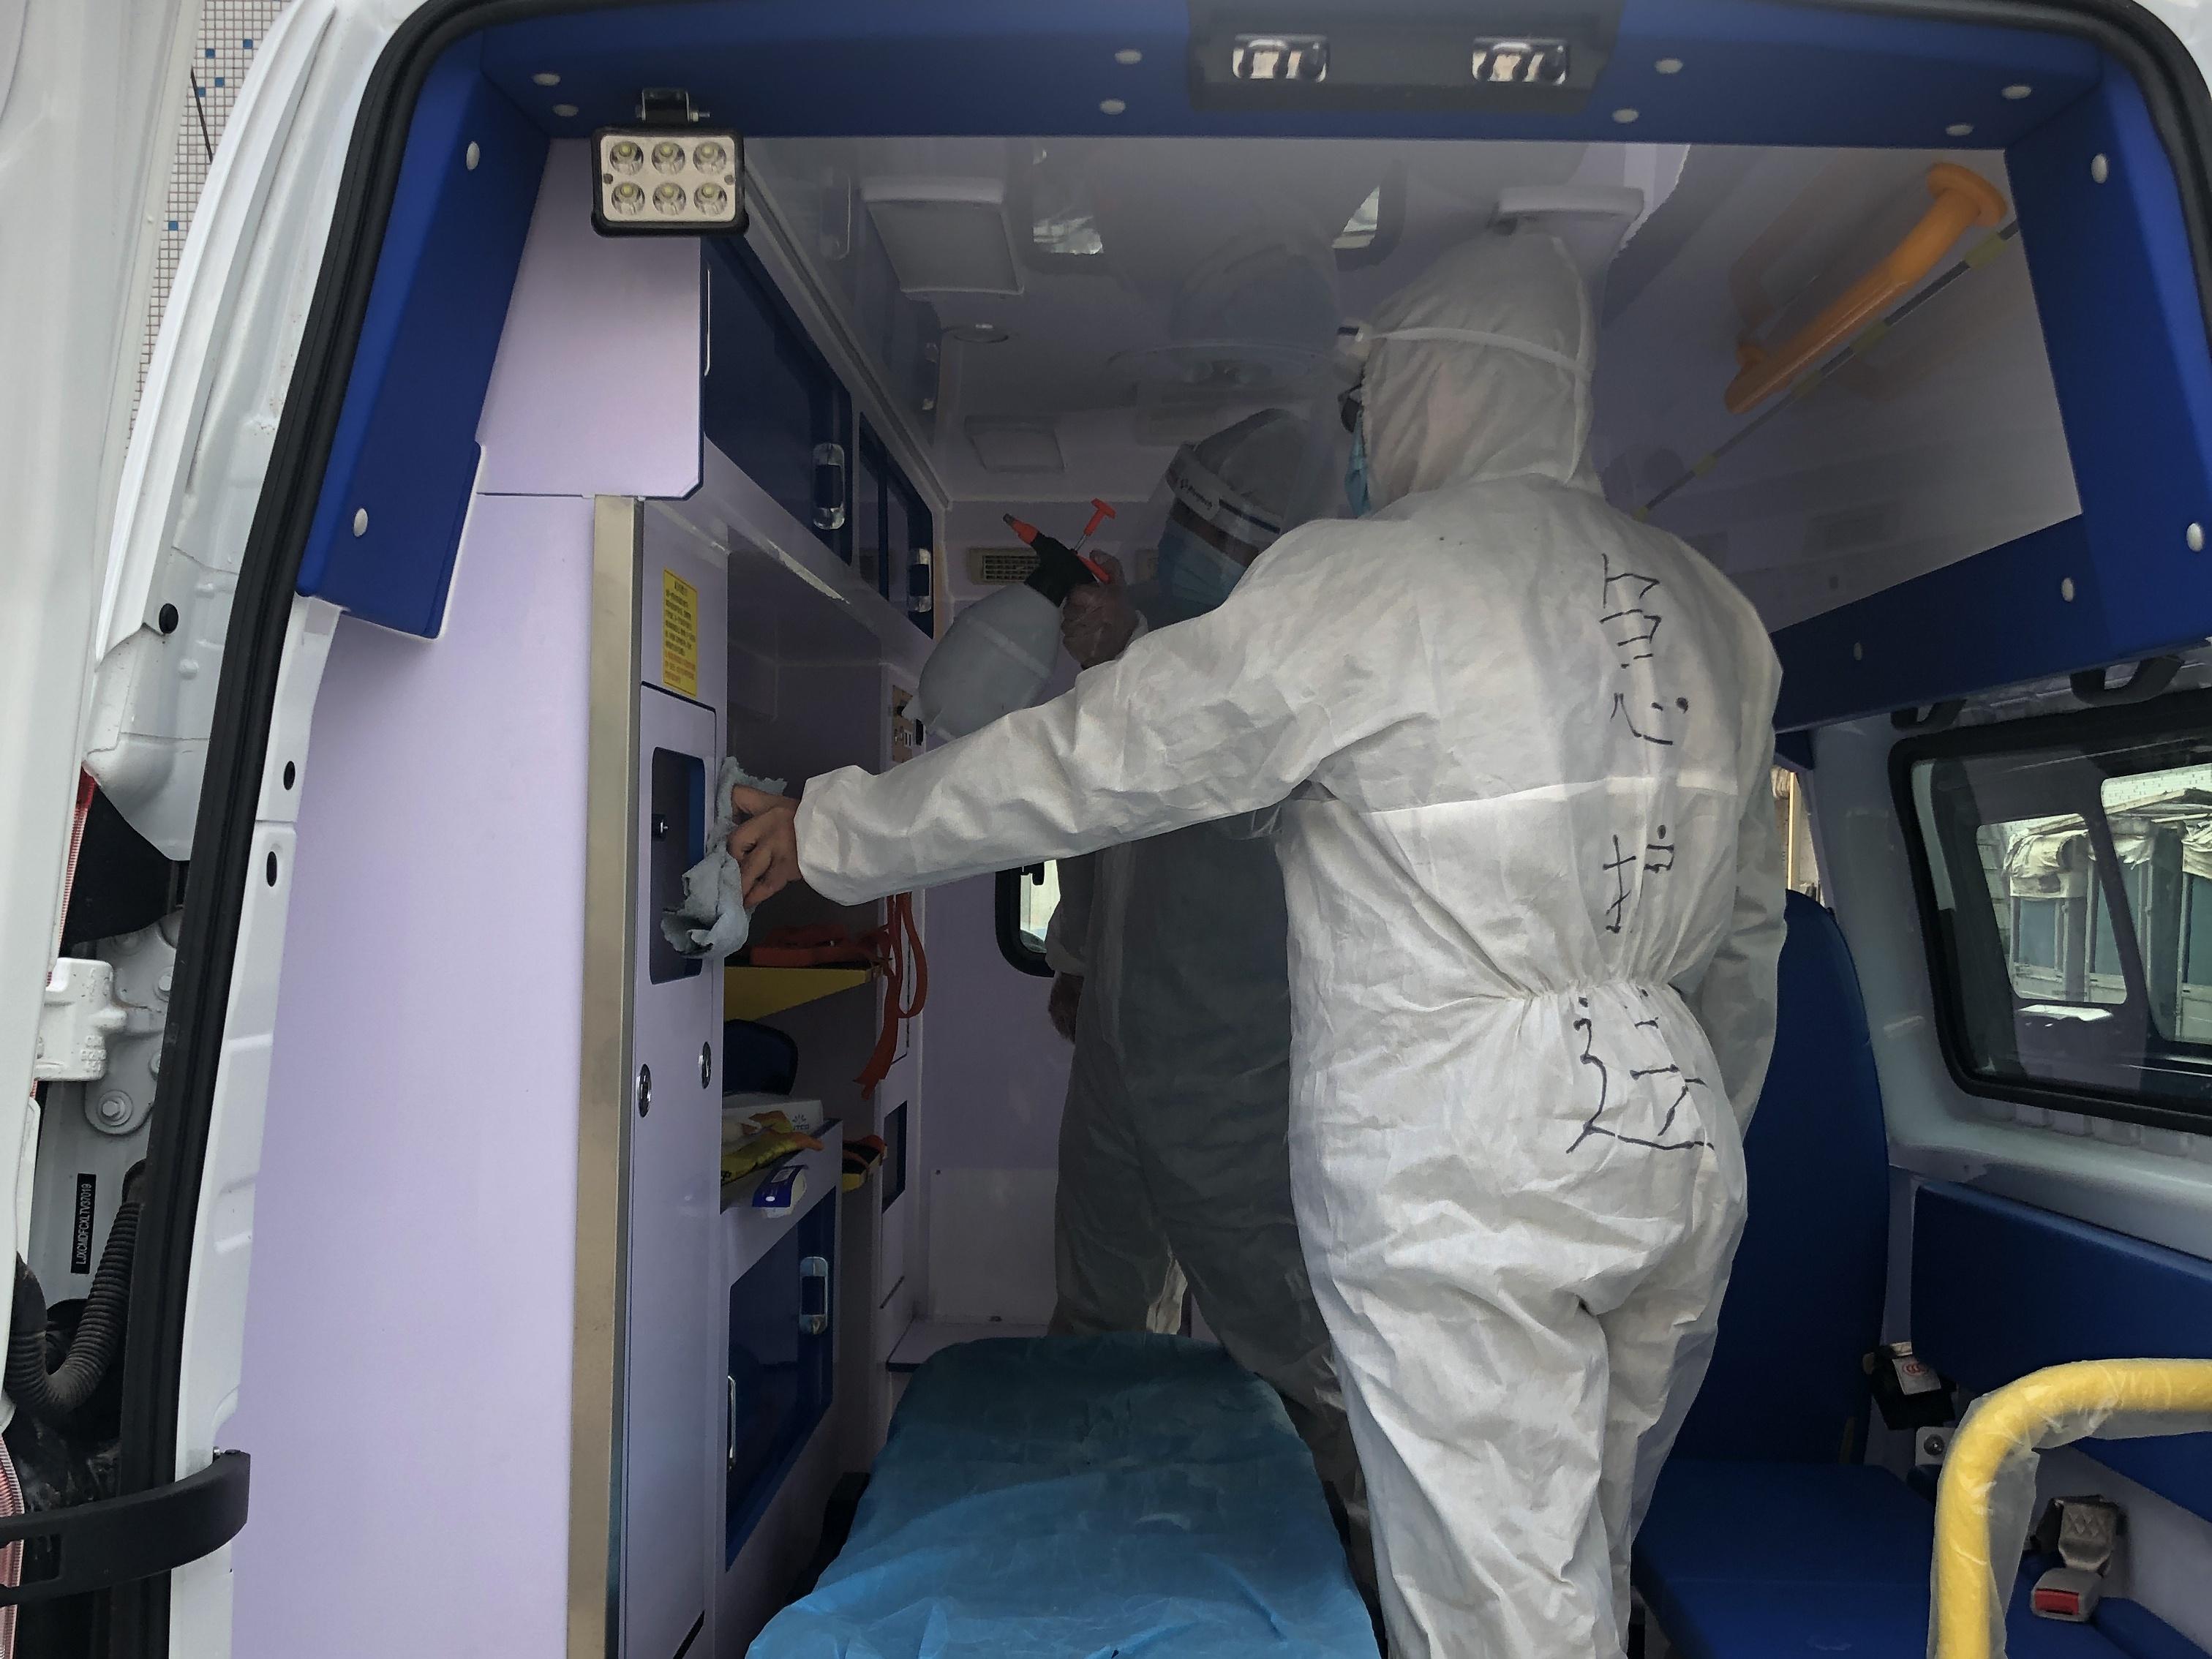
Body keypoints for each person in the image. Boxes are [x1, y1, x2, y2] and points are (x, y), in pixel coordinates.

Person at [729, 227, 1786, 1659]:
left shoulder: (1382, 580)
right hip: (1671, 1134)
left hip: (1473, 1153)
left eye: (1372, 399)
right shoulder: (1711, 610)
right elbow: (1745, 943)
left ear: (1434, 387)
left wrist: (833, 831)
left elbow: (1093, 761)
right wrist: (1712, 1127)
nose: (1361, 438)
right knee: (1577, 1546)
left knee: (1498, 1600)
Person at [1039, 410, 1371, 1584]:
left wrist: (1129, 665)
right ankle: (1104, 1533)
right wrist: (1079, 960)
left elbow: (1221, 777)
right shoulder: (1152, 651)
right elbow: (1100, 814)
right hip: (1123, 1045)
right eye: (1187, 516)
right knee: (1098, 1313)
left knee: (1285, 1339)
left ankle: (1370, 1587)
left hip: (1237, 1070)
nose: (1187, 545)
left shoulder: (1308, 677)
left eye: (1217, 531)